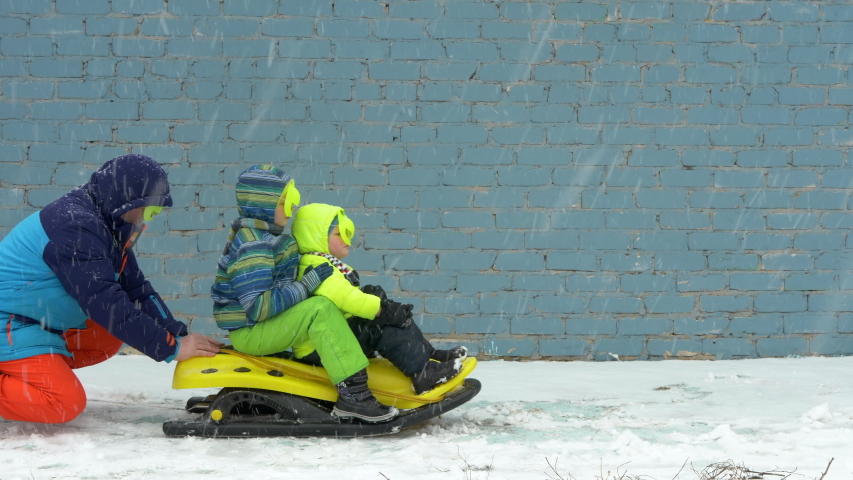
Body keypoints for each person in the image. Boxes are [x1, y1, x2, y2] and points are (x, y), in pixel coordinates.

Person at [0, 154, 223, 424]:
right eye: (150, 209)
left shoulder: (107, 225)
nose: (147, 220)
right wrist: (170, 349)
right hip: (10, 323)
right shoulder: (75, 227)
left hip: (35, 320)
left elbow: (136, 289)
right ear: (126, 201)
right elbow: (105, 302)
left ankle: (33, 371)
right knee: (62, 402)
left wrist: (177, 334)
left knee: (105, 339)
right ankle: (35, 378)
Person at [210, 165, 397, 423]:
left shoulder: (265, 237)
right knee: (319, 310)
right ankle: (354, 395)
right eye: (285, 202)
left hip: (261, 326)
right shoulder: (254, 244)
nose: (292, 208)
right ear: (263, 204)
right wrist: (305, 286)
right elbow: (258, 307)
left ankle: (352, 371)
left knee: (322, 306)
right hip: (251, 331)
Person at [290, 203, 467, 395]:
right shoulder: (315, 267)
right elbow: (345, 298)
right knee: (380, 325)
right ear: (317, 237)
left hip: (330, 334)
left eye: (348, 232)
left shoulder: (324, 261)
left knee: (382, 301)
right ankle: (422, 374)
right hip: (318, 347)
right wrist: (383, 310)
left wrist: (381, 304)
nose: (347, 238)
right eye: (339, 233)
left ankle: (428, 354)